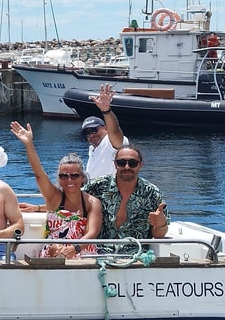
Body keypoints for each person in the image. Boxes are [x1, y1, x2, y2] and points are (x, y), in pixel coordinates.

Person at [9, 121, 103, 259]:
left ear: (83, 178)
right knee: (56, 248)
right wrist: (29, 145)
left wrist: (74, 249)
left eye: (74, 176)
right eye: (63, 176)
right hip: (54, 251)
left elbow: (92, 233)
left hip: (82, 249)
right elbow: (39, 174)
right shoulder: (54, 197)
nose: (69, 180)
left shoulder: (91, 203)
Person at [83, 144, 168, 244]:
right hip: (97, 253)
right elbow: (72, 204)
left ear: (140, 165)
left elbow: (158, 235)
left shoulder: (152, 193)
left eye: (132, 163)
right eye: (121, 162)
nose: (127, 167)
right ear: (115, 164)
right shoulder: (95, 187)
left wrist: (161, 224)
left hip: (137, 254)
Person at [83, 83, 129, 180]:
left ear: (106, 129)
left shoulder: (109, 143)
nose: (91, 135)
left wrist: (106, 111)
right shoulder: (92, 148)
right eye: (87, 132)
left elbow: (115, 131)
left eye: (94, 130)